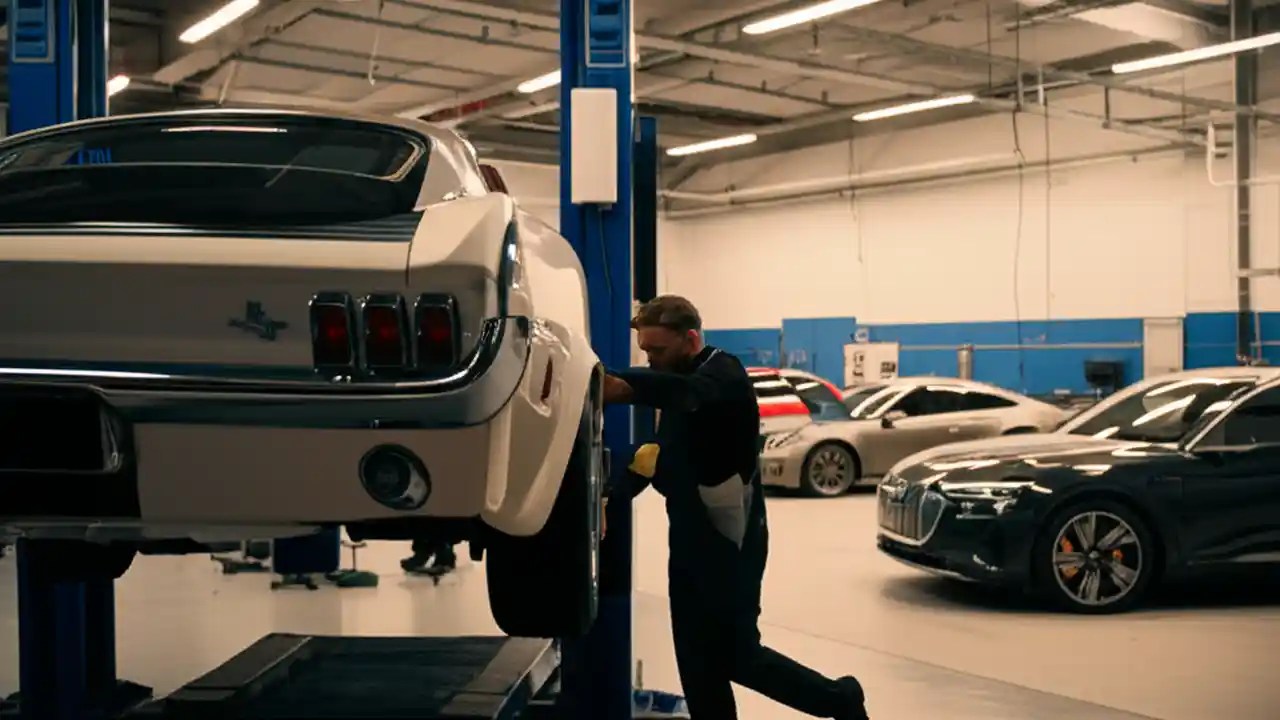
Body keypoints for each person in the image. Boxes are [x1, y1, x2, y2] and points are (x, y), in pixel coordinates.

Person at [603, 295, 869, 720]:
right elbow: (660, 450)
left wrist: (624, 386)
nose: (651, 359)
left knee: (735, 653)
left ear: (690, 339)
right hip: (690, 533)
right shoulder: (679, 377)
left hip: (731, 539)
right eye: (646, 352)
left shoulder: (722, 374)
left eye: (658, 350)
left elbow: (688, 395)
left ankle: (839, 699)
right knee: (694, 658)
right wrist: (612, 496)